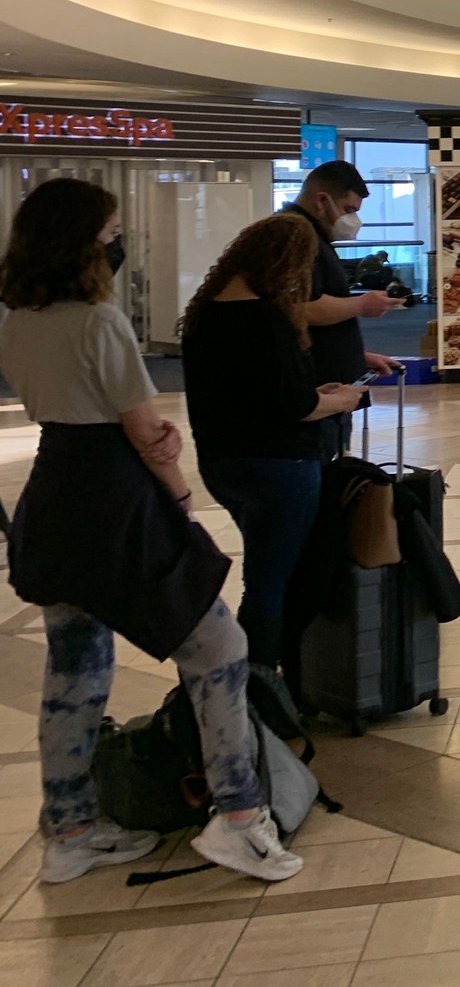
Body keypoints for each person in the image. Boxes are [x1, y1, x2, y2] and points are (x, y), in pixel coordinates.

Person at [0, 179, 305, 883]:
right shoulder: (100, 322)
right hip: (118, 501)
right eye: (109, 232)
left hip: (53, 497)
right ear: (81, 240)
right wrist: (176, 490)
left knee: (75, 668)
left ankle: (70, 829)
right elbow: (142, 428)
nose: (116, 244)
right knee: (220, 647)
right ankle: (238, 818)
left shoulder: (16, 318)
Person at [180, 214, 366, 676]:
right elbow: (293, 405)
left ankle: (258, 682)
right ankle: (261, 684)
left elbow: (250, 391)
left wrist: (313, 396)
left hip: (222, 460)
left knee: (265, 566)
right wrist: (339, 399)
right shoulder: (267, 318)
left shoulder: (205, 312)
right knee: (271, 580)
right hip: (281, 465)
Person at [284, 161, 399, 456]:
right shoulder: (297, 236)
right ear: (323, 200)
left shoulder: (314, 237)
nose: (354, 220)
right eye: (349, 210)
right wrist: (362, 304)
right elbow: (300, 309)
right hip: (314, 396)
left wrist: (355, 356)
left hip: (329, 388)